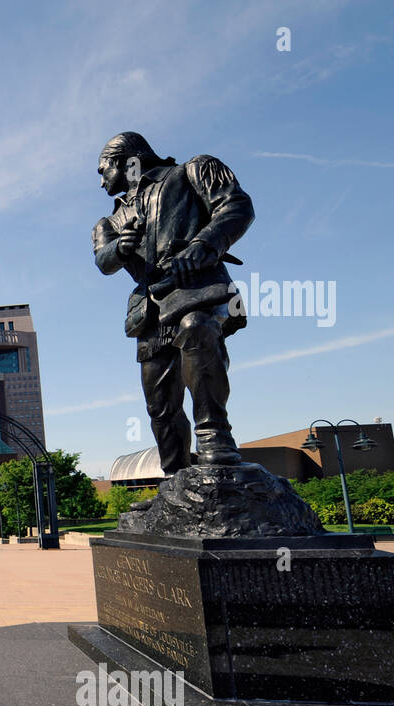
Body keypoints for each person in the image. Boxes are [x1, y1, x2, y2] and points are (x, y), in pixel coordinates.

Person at [91, 132, 254, 475]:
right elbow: (103, 260)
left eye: (104, 169)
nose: (101, 179)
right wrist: (120, 248)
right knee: (160, 401)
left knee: (197, 330)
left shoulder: (192, 171)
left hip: (195, 288)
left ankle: (214, 439)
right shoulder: (110, 222)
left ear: (125, 161)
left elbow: (236, 206)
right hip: (149, 311)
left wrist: (203, 245)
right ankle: (175, 476)